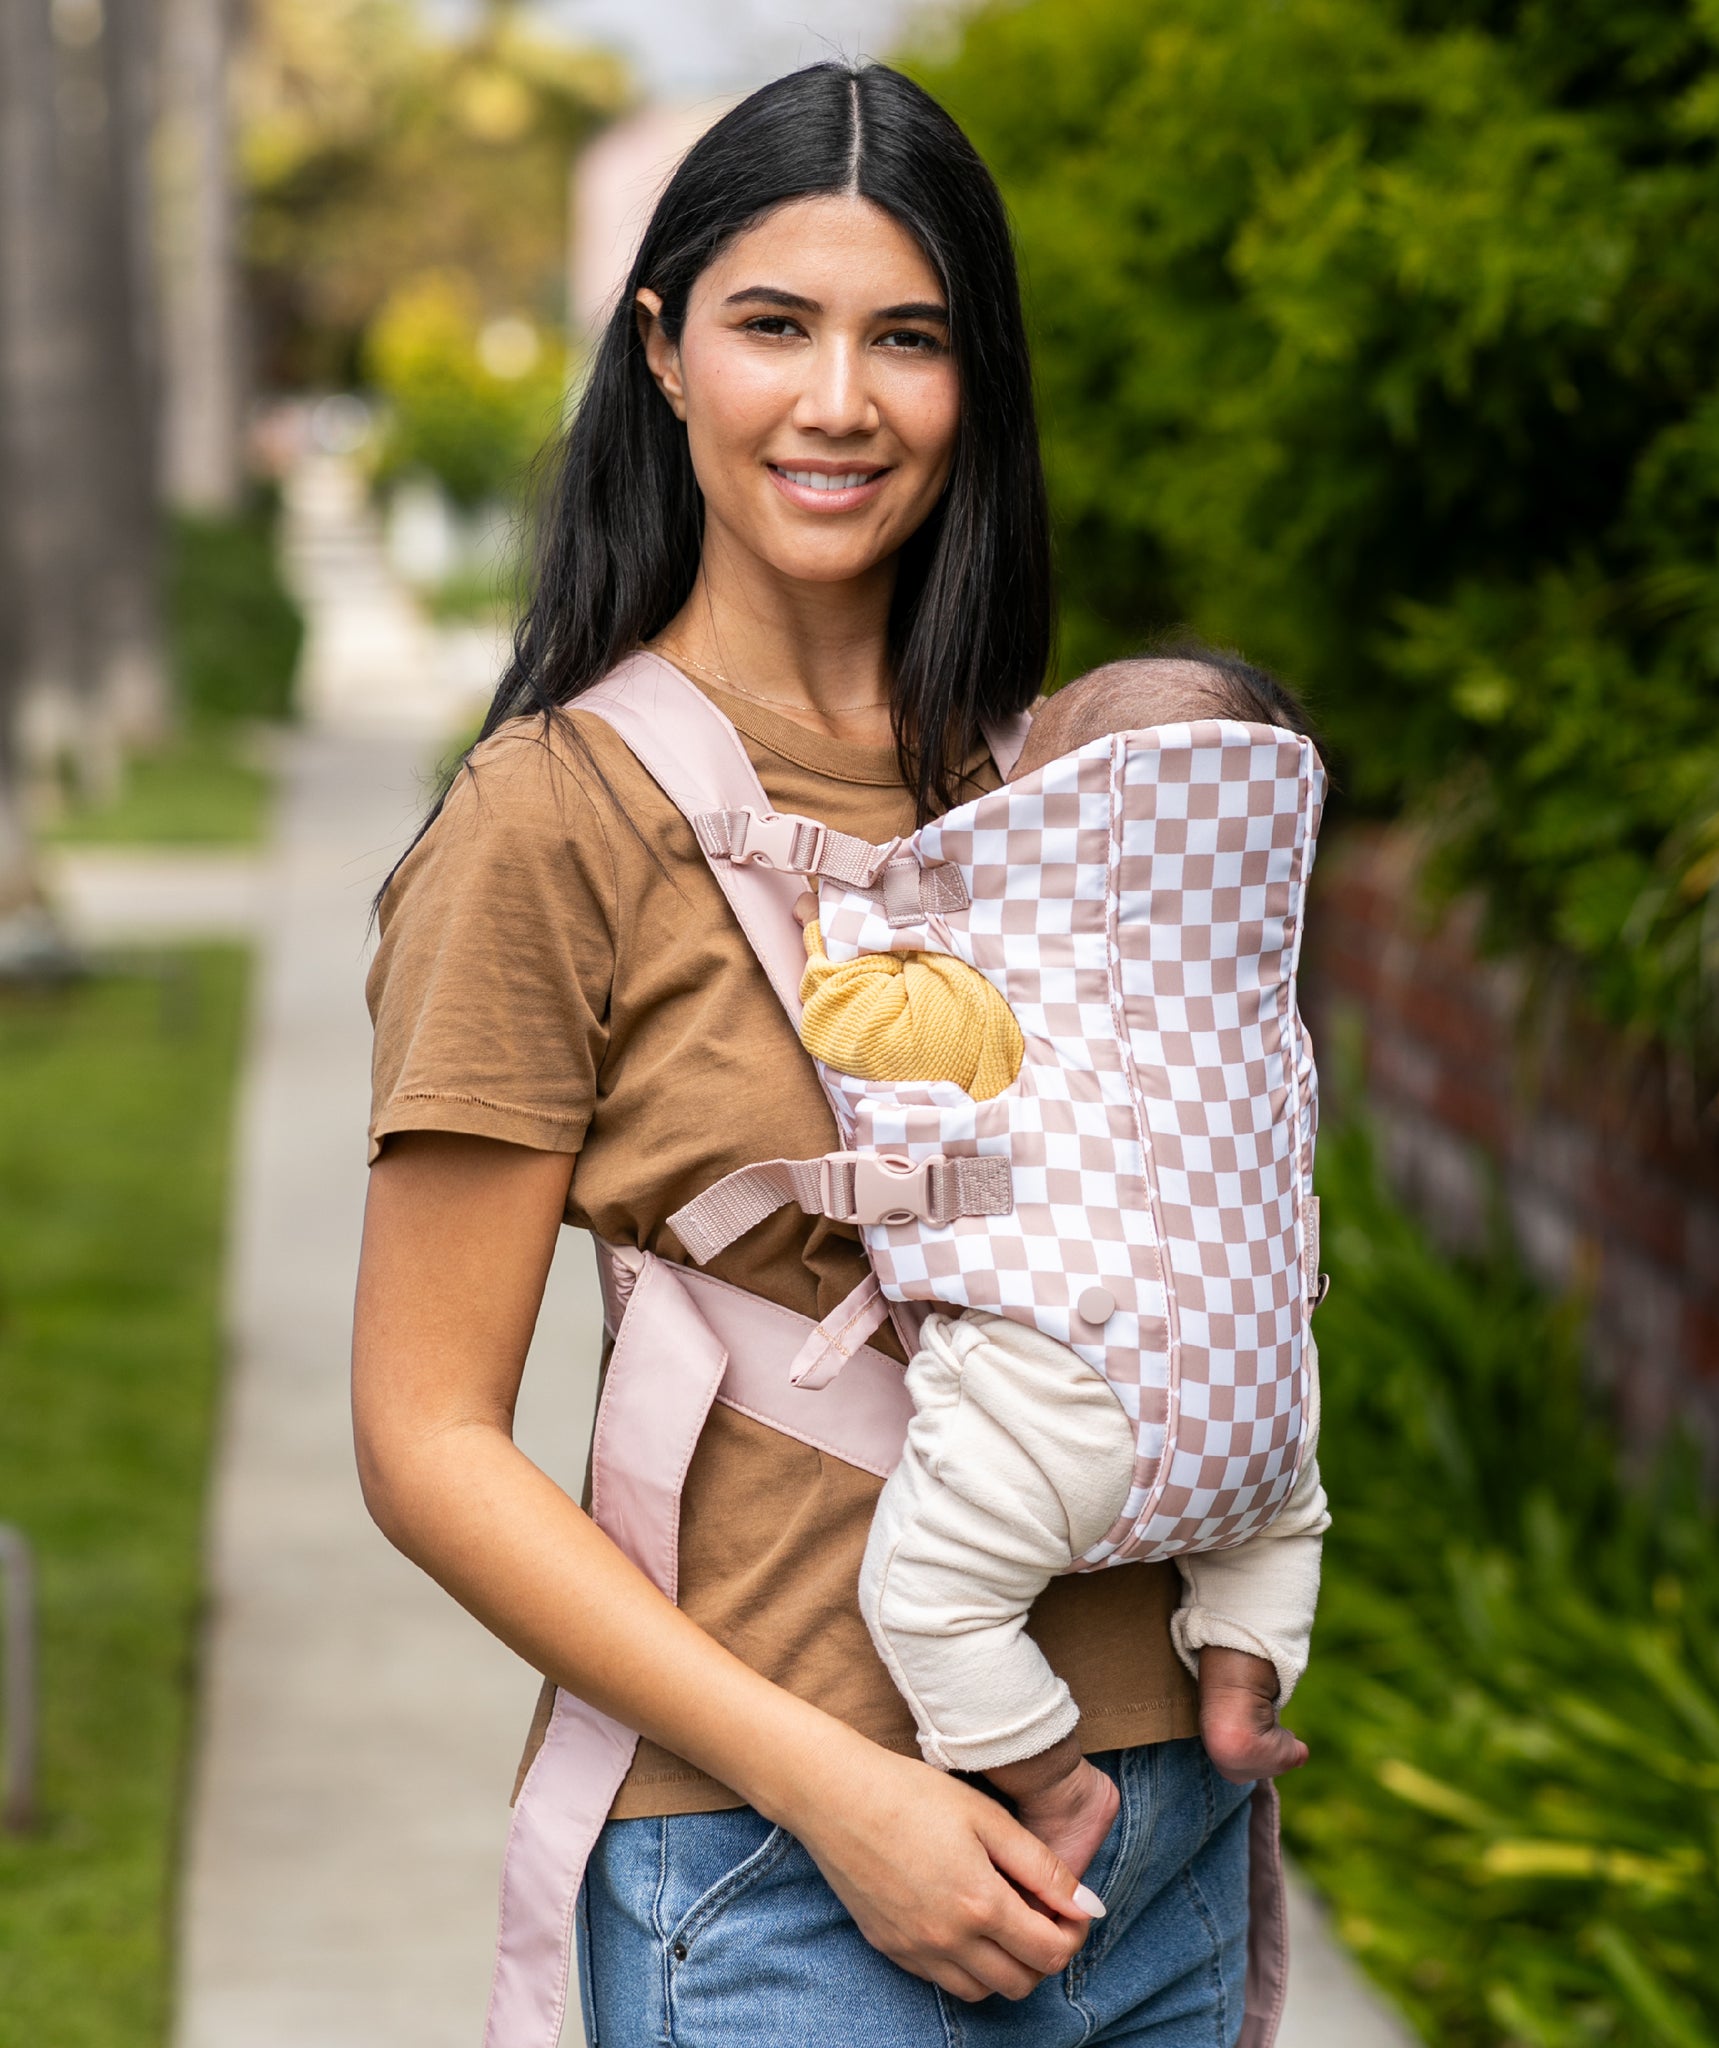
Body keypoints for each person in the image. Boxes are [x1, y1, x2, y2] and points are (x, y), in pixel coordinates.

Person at [352, 61, 1298, 2048]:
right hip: (787, 1880)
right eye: (774, 323)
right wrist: (840, 1789)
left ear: (980, 384)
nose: (840, 399)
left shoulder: (1073, 786)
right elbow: (427, 1439)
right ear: (665, 352)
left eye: (911, 338)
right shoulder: (553, 817)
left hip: (1165, 1844)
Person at [797, 656, 1329, 1878]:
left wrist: (842, 945)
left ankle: (1051, 1780)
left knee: (933, 1600)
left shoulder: (1003, 993)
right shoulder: (1253, 997)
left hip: (1072, 1405)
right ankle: (1240, 1690)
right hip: (1260, 1415)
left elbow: (855, 1031)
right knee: (1279, 1522)